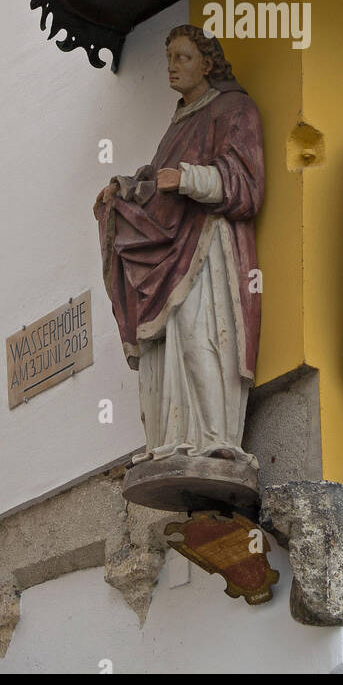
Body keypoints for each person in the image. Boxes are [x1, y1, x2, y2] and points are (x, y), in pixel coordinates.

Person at [94, 25, 264, 466]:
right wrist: (127, 187)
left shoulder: (234, 109)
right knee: (163, 345)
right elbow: (157, 179)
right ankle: (168, 442)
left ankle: (214, 437)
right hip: (169, 245)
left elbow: (247, 185)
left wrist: (188, 178)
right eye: (169, 58)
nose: (172, 66)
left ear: (208, 63)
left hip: (207, 246)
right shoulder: (177, 123)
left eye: (183, 57)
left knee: (200, 336)